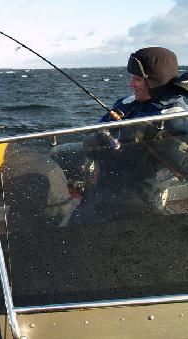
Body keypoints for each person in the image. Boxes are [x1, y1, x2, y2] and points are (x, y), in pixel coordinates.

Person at [74, 47, 188, 223]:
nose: (131, 84)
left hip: (141, 200)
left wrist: (152, 135)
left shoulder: (176, 115)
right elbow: (97, 132)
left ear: (155, 82)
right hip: (103, 189)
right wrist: (94, 141)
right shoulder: (127, 103)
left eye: (137, 79)